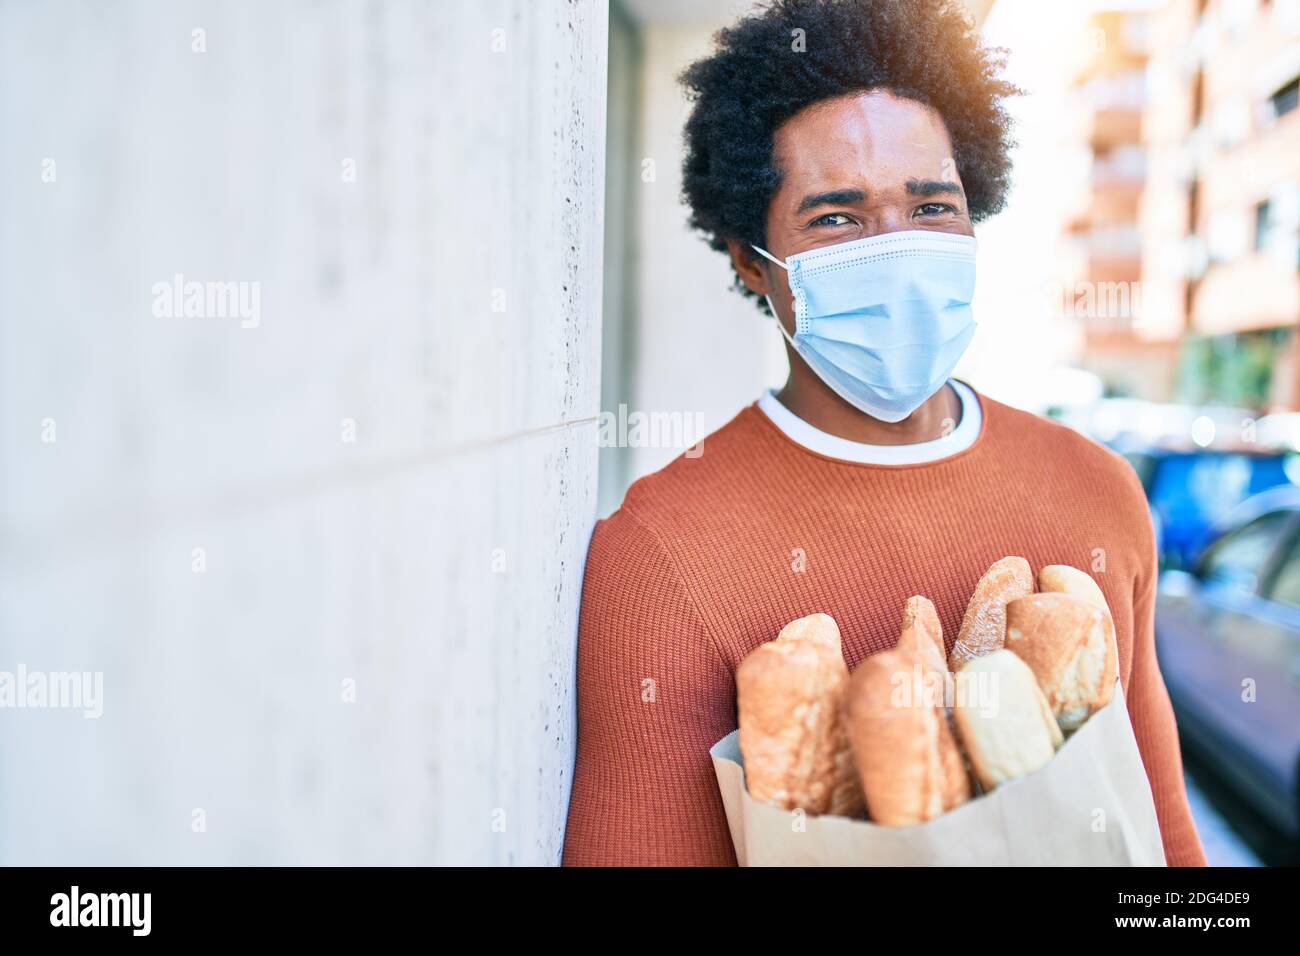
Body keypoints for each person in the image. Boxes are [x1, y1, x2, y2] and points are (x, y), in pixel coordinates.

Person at [562, 0, 1206, 866]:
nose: (896, 249)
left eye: (933, 206)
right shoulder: (661, 552)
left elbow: (1162, 836)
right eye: (837, 217)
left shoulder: (1097, 490)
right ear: (753, 261)